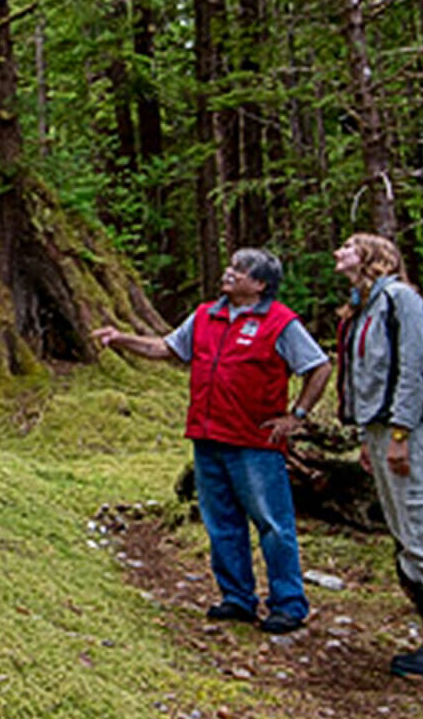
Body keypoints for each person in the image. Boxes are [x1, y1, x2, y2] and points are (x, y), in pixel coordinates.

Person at [94, 248, 332, 634]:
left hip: (255, 441)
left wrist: (297, 415)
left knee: (272, 523)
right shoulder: (206, 315)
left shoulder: (280, 322)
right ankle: (237, 598)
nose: (229, 273)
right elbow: (165, 349)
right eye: (230, 267)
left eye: (240, 270)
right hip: (208, 436)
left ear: (260, 284)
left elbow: (318, 366)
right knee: (221, 522)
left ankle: (288, 604)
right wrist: (120, 338)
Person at [332, 233, 423, 679]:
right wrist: (370, 437)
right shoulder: (364, 306)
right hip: (379, 428)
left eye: (348, 247)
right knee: (405, 530)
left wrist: (402, 432)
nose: (338, 252)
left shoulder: (400, 298)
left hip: (410, 428)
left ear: (371, 256)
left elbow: (413, 366)